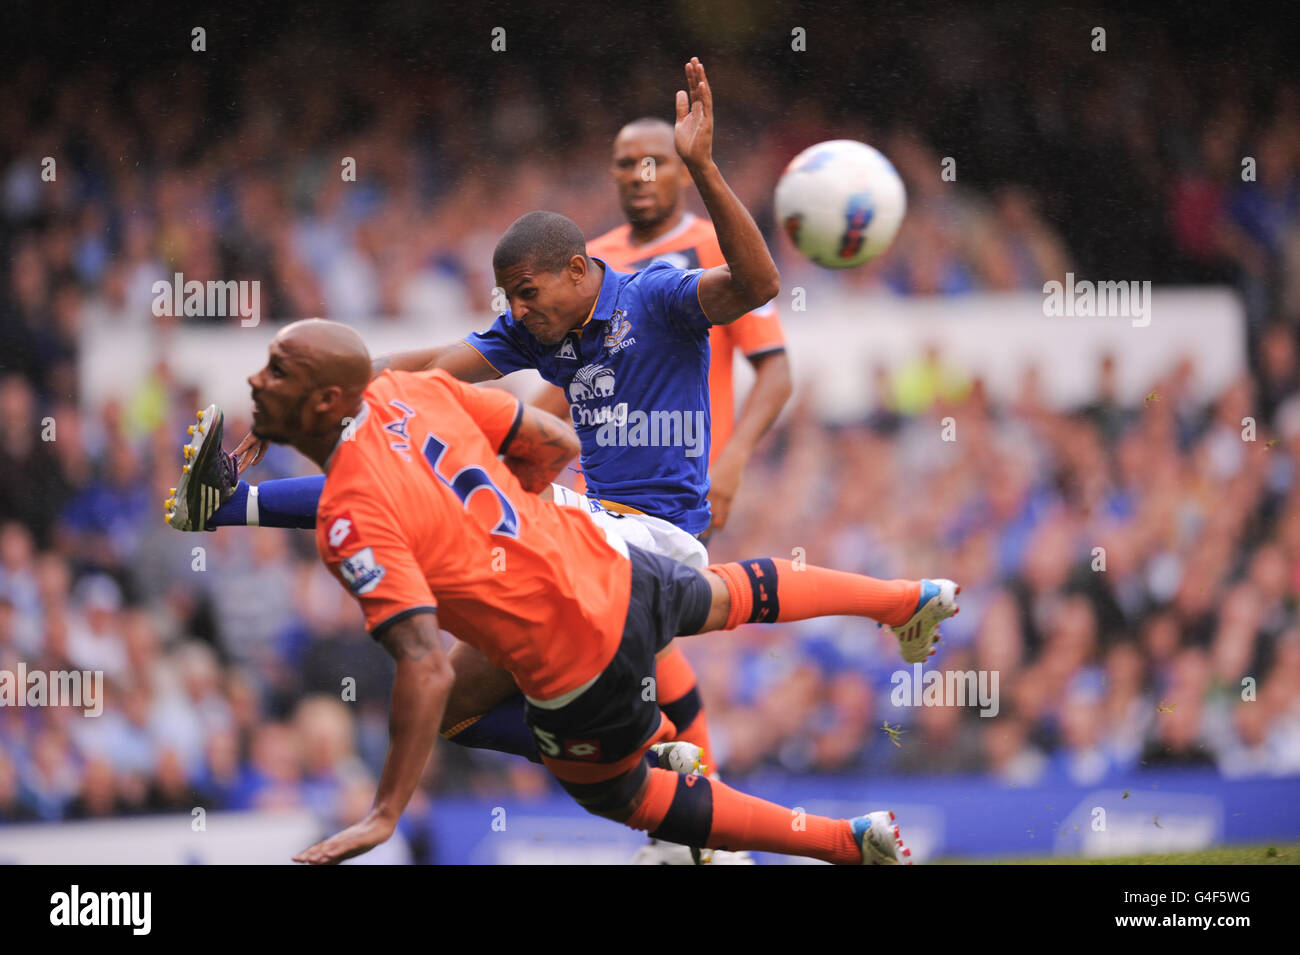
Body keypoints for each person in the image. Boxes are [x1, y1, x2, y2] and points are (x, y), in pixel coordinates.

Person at [165, 60, 811, 831]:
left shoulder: (681, 263)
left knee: (647, 655)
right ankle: (703, 797)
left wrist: (730, 458)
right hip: (595, 530)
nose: (640, 175)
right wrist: (320, 392)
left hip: (652, 529)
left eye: (657, 161)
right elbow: (437, 366)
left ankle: (709, 791)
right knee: (420, 491)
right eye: (625, 163)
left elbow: (765, 320)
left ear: (678, 168)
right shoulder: (565, 280)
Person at [239, 317, 958, 865]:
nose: (254, 380)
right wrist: (518, 525)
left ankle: (844, 841)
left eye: (276, 369)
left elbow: (422, 664)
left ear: (327, 400)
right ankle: (903, 599)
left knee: (627, 796)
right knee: (721, 597)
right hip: (610, 565)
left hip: (578, 660)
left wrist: (384, 812)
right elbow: (553, 440)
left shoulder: (347, 517)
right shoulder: (412, 389)